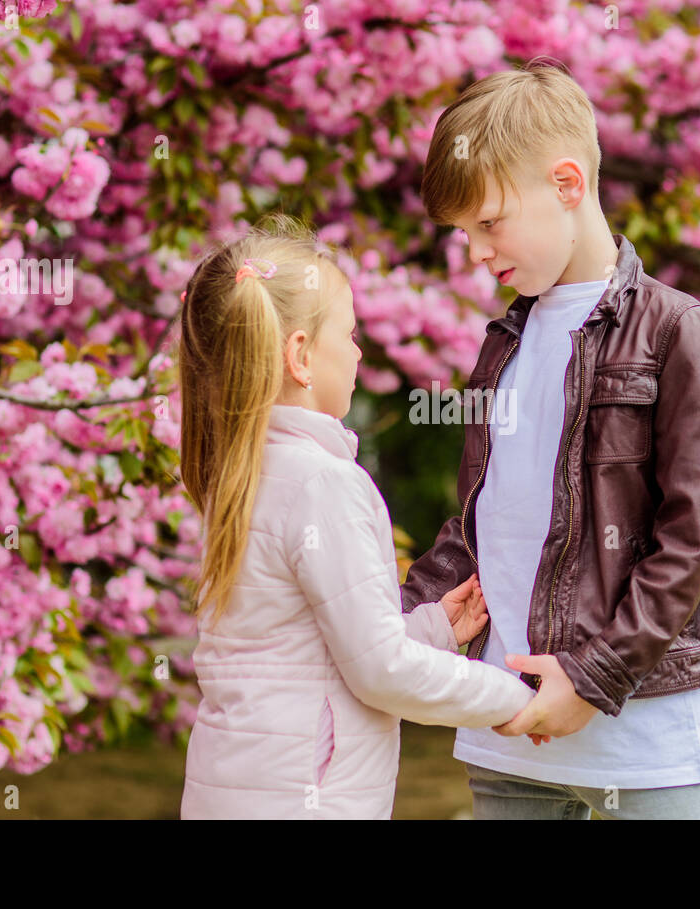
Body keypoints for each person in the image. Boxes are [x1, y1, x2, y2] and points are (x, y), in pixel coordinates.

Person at [402, 61, 700, 819]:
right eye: (463, 234)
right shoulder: (502, 344)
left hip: (640, 727)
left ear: (566, 183)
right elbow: (479, 526)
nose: (477, 253)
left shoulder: (675, 330)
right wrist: (390, 627)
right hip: (505, 717)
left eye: (488, 223)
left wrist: (594, 678)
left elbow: (692, 537)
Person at [177, 214, 534, 819]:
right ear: (301, 358)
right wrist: (512, 697)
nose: (359, 350)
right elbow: (380, 673)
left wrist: (432, 631)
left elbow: (315, 648)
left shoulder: (242, 475)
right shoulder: (324, 482)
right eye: (347, 335)